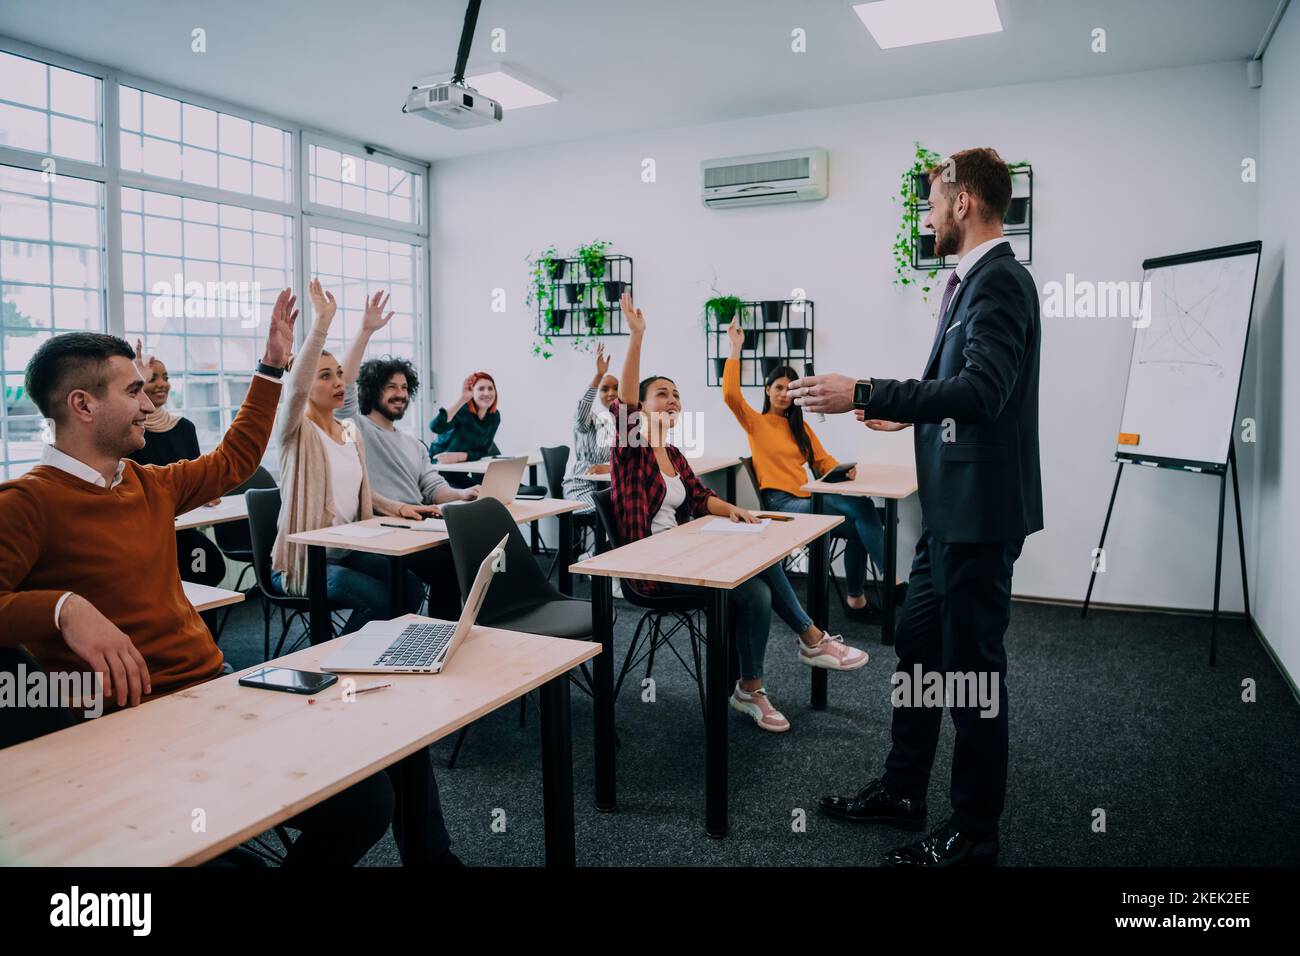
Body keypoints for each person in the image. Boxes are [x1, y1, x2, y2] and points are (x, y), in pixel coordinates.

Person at [0, 292, 458, 866]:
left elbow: (237, 458)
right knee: (361, 802)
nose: (149, 404)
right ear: (82, 406)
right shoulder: (27, 501)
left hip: (219, 686)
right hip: (146, 720)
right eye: (134, 390)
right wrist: (62, 608)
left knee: (390, 737)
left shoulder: (146, 483)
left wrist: (271, 366)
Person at [791, 147, 1043, 867]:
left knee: (972, 674)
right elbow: (961, 390)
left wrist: (867, 391)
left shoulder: (1000, 282)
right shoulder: (970, 283)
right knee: (920, 647)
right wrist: (910, 416)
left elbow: (984, 392)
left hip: (981, 518)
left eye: (933, 202)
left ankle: (975, 832)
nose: (927, 216)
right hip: (950, 515)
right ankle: (904, 791)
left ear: (963, 202)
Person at [609, 293, 867, 734]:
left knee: (758, 586)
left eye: (676, 395)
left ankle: (751, 687)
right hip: (649, 568)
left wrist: (734, 511)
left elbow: (696, 496)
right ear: (641, 407)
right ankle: (810, 639)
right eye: (661, 395)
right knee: (756, 570)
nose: (672, 400)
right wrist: (636, 338)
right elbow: (625, 405)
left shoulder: (672, 451)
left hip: (680, 553)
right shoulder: (630, 449)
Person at [270, 280, 441, 635]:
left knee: (408, 587)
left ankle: (372, 657)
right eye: (325, 376)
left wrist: (397, 508)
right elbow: (297, 386)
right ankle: (341, 664)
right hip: (304, 561)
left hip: (346, 550)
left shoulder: (348, 432)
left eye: (339, 376)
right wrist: (320, 324)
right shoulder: (295, 431)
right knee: (377, 600)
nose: (337, 383)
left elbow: (361, 492)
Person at [721, 319, 905, 620]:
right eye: (778, 387)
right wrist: (735, 347)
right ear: (767, 390)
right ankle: (891, 579)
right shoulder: (756, 422)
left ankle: (856, 600)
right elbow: (730, 395)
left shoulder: (800, 427)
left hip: (806, 500)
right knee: (861, 508)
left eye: (789, 389)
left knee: (862, 521)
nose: (783, 393)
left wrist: (842, 471)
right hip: (781, 504)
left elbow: (824, 462)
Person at [346, 296, 479, 621]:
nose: (400, 393)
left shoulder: (413, 443)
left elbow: (433, 488)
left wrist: (463, 494)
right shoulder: (356, 428)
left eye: (405, 387)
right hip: (382, 528)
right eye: (390, 387)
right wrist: (365, 332)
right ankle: (434, 638)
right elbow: (346, 388)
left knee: (472, 555)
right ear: (372, 391)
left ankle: (447, 636)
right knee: (446, 567)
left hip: (418, 523)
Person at [125, 341, 225, 586]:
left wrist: (206, 493)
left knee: (208, 567)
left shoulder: (184, 427)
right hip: (148, 536)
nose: (162, 384)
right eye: (152, 378)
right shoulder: (128, 435)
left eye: (166, 377)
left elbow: (195, 482)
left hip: (183, 531)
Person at [562, 342, 618, 512]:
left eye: (616, 388)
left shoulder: (626, 421)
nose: (611, 393)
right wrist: (598, 375)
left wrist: (610, 467)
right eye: (604, 389)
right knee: (610, 511)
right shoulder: (588, 420)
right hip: (582, 486)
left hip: (612, 486)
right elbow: (583, 409)